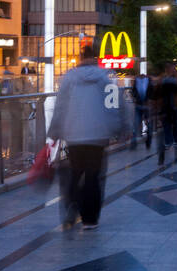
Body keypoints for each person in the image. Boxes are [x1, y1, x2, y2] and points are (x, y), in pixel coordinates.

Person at [46, 47, 124, 230]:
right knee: (93, 176)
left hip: (74, 135)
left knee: (75, 173)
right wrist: (119, 128)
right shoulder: (105, 77)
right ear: (95, 58)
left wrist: (55, 131)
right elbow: (113, 105)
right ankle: (90, 219)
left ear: (81, 58)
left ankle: (71, 209)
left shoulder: (69, 78)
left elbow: (60, 106)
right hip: (98, 136)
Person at [154, 62, 177, 166]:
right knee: (166, 130)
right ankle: (164, 152)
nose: (172, 69)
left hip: (174, 107)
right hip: (166, 108)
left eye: (174, 68)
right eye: (171, 67)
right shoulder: (162, 79)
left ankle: (173, 150)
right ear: (167, 68)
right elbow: (157, 92)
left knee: (175, 129)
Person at [129, 70, 153, 151]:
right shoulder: (137, 81)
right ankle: (134, 142)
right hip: (139, 106)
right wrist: (135, 99)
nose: (142, 75)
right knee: (137, 124)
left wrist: (150, 100)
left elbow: (152, 92)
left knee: (146, 125)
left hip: (146, 106)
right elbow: (133, 91)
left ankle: (147, 141)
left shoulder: (148, 81)